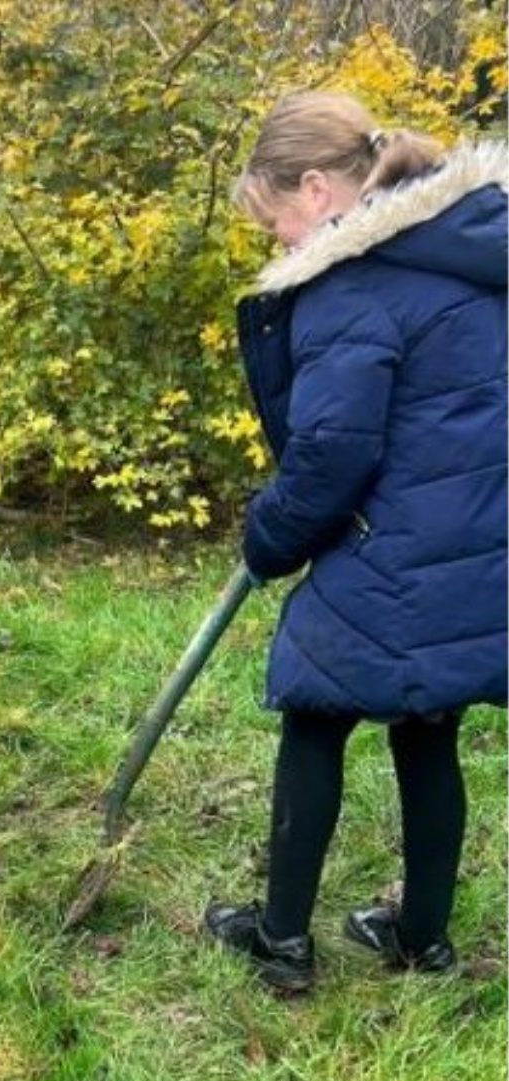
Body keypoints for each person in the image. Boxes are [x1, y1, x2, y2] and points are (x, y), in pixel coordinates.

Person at [202, 92, 507, 992]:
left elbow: (334, 450)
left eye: (276, 223)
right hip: (478, 541)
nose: (281, 246)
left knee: (315, 708)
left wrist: (270, 539)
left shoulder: (354, 282)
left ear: (317, 188)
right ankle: (419, 938)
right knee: (427, 724)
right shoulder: (470, 250)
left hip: (397, 539)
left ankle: (282, 941)